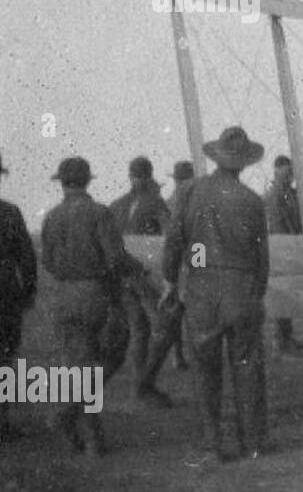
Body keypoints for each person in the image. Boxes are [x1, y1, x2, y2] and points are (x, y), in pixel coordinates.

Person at [160, 127, 271, 464]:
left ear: (216, 157)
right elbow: (261, 260)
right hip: (241, 290)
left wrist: (169, 281)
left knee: (205, 370)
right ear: (243, 163)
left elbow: (174, 242)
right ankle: (252, 443)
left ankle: (212, 445)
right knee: (248, 367)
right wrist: (255, 294)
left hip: (202, 290)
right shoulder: (252, 201)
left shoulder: (191, 192)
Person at [41, 157, 145, 456]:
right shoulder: (98, 213)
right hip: (95, 293)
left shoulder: (51, 217)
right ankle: (67, 414)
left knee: (80, 365)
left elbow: (47, 261)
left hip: (63, 295)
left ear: (62, 183)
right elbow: (115, 258)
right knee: (112, 354)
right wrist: (141, 271)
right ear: (88, 181)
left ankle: (91, 439)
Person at [108, 156, 174, 407]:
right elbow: (169, 237)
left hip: (123, 275)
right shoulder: (155, 202)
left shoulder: (116, 205)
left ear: (130, 175)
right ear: (149, 175)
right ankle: (145, 384)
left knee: (138, 330)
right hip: (146, 275)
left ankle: (139, 385)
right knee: (164, 327)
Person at [0, 152, 38, 444]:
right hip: (6, 296)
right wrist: (29, 291)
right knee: (3, 360)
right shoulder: (9, 213)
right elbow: (26, 258)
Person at [263, 155, 303, 355]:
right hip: (281, 249)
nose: (289, 177)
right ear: (276, 171)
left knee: (287, 295)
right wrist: (292, 244)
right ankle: (279, 340)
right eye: (285, 174)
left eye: (290, 174)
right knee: (280, 294)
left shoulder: (290, 194)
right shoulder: (273, 196)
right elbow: (279, 227)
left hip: (291, 247)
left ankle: (286, 337)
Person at [162, 160, 195, 370]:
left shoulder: (170, 201)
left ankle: (179, 354)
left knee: (176, 312)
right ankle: (186, 354)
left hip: (176, 262)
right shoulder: (193, 200)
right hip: (191, 261)